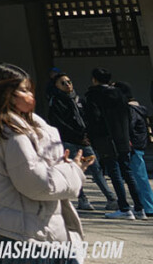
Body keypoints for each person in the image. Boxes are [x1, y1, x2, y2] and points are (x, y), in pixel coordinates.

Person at [0, 63, 91, 264]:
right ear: (7, 95)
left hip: (36, 229)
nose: (30, 96)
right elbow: (37, 183)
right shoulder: (12, 134)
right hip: (28, 237)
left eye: (30, 89)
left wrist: (66, 166)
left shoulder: (26, 127)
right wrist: (71, 170)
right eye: (23, 90)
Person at [44, 71, 114, 212]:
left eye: (69, 82)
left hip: (84, 140)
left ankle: (111, 198)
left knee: (96, 169)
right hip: (68, 140)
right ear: (56, 86)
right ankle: (83, 199)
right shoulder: (56, 101)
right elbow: (59, 123)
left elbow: (87, 118)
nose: (67, 85)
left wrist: (87, 133)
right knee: (75, 170)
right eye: (63, 83)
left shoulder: (78, 100)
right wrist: (75, 133)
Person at [83, 67, 136, 218]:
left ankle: (124, 207)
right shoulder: (119, 94)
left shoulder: (94, 95)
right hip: (122, 137)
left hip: (105, 138)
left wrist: (91, 136)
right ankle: (139, 207)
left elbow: (94, 118)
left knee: (114, 172)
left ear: (94, 79)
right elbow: (128, 116)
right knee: (127, 172)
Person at [116, 83, 153, 219]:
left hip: (134, 146)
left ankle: (148, 206)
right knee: (140, 176)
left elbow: (129, 128)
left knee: (139, 177)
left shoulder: (130, 110)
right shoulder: (139, 109)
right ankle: (147, 204)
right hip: (139, 145)